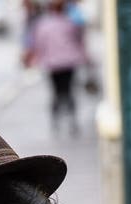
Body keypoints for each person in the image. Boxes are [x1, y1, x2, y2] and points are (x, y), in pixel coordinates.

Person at [27, 0, 89, 135]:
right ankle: (72, 121)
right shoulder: (70, 23)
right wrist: (85, 58)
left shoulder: (43, 25)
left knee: (56, 92)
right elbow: (80, 42)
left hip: (52, 64)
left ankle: (56, 121)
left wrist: (34, 59)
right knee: (68, 91)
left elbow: (37, 44)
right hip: (68, 62)